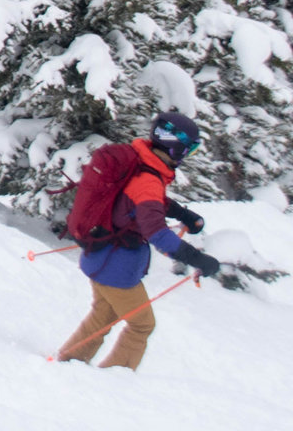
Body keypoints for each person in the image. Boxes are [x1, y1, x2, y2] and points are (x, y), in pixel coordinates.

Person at [55, 109, 226, 370]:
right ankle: (115, 380)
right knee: (142, 325)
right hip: (115, 267)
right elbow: (157, 233)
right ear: (175, 147)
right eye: (188, 150)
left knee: (104, 314)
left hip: (101, 256)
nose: (188, 156)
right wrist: (198, 258)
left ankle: (68, 363)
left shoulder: (142, 164)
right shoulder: (148, 178)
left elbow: (141, 202)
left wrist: (182, 214)